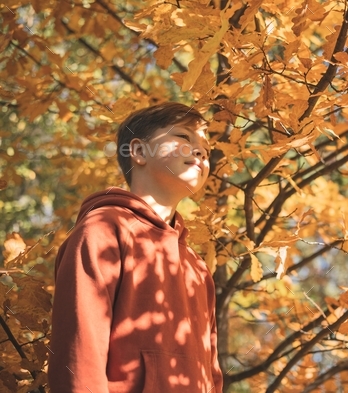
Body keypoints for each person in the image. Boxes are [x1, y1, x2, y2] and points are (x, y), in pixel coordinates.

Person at [48, 102, 223, 393]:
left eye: (206, 146)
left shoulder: (197, 266)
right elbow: (79, 352)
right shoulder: (104, 229)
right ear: (140, 152)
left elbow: (212, 374)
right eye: (183, 136)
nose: (202, 150)